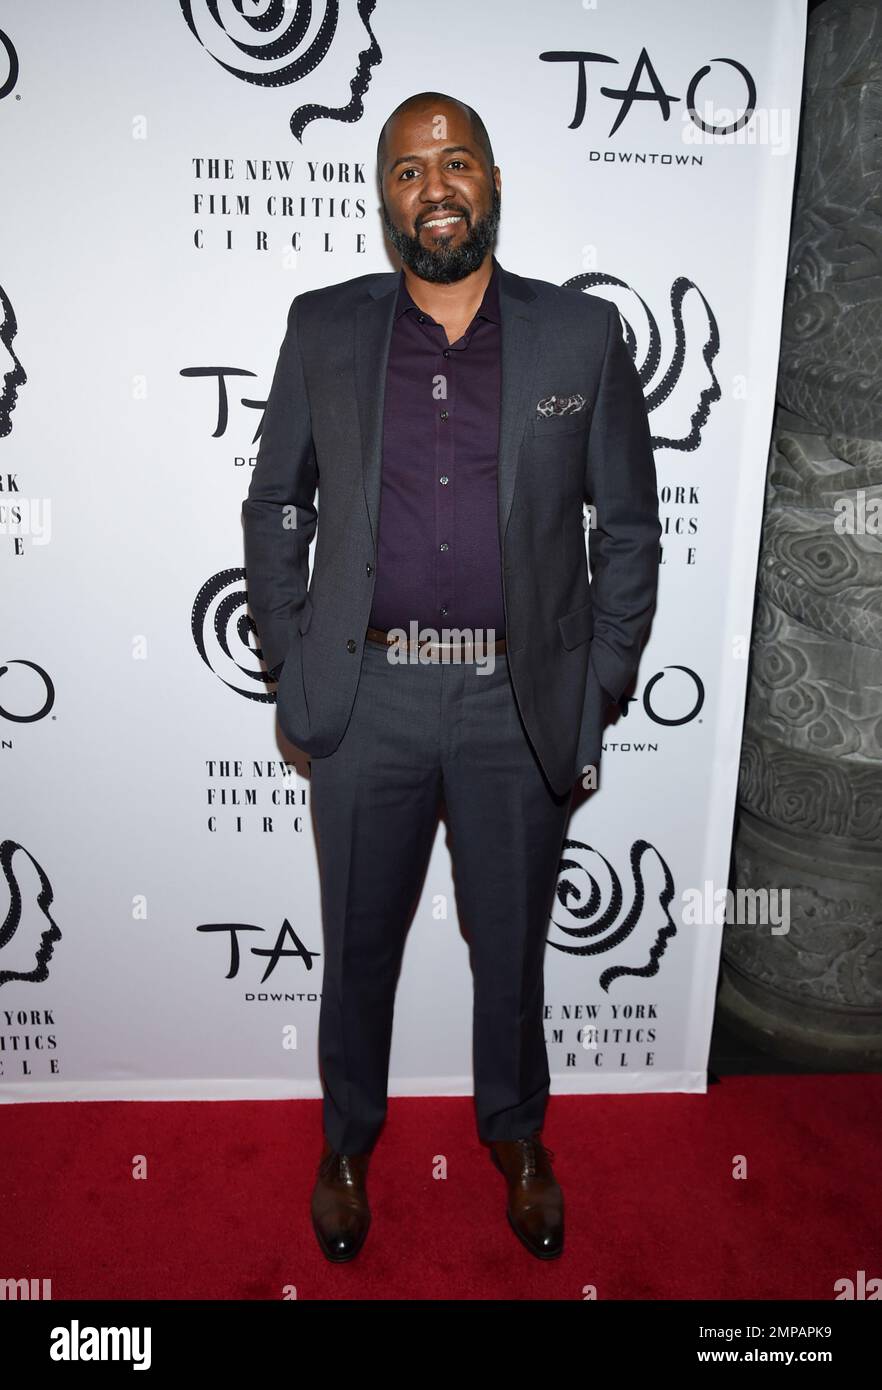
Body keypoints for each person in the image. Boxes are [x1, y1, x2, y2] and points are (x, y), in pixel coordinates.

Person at [242, 91, 661, 1263]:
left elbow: (627, 524)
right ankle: (346, 1141)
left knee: (514, 939)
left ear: (491, 182)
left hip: (513, 706)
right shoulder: (324, 329)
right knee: (357, 939)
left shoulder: (578, 338)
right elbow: (278, 501)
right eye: (410, 167)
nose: (436, 185)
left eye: (457, 160)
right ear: (384, 196)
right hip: (365, 700)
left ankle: (517, 1136)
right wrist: (291, 658)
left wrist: (603, 680)